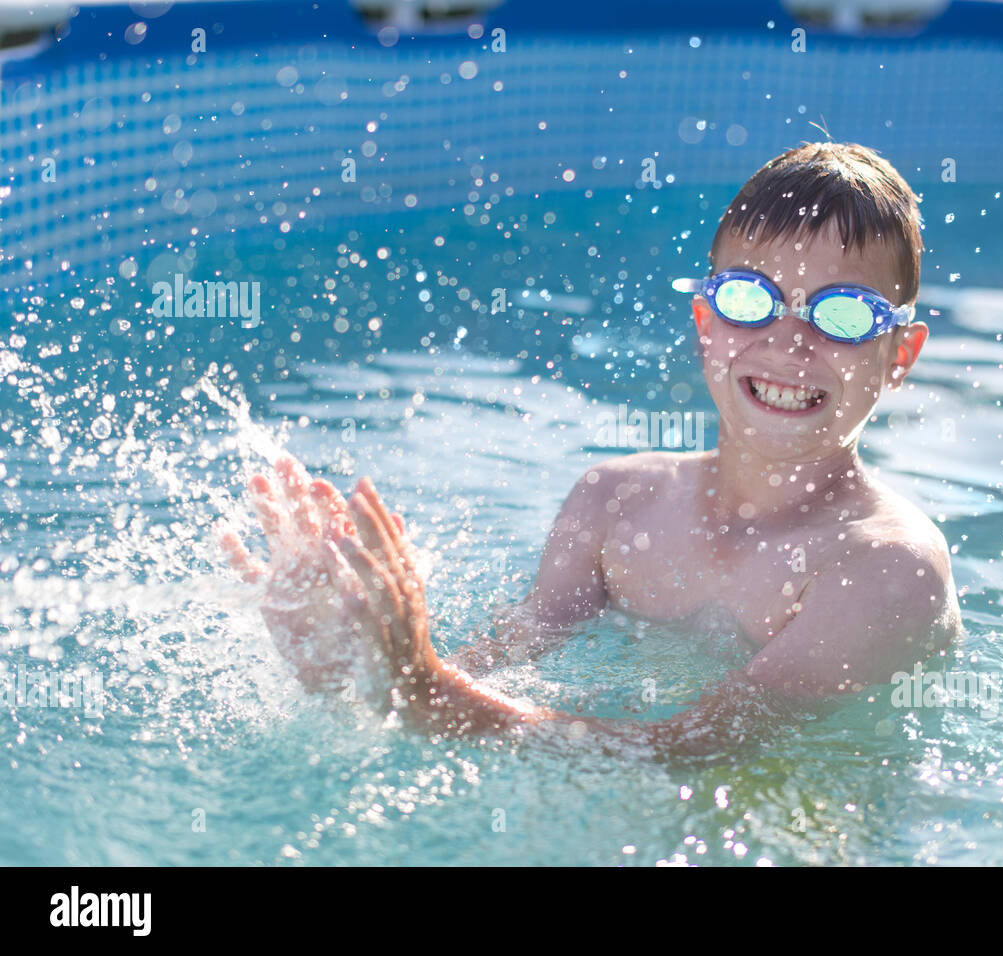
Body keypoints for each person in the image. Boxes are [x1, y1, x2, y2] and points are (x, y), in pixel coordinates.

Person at [222, 142, 962, 754]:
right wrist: (356, 665)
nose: (787, 340)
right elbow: (496, 667)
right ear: (706, 319)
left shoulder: (887, 569)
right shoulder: (615, 502)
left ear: (900, 356)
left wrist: (425, 688)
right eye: (749, 298)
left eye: (842, 313)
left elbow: (688, 753)